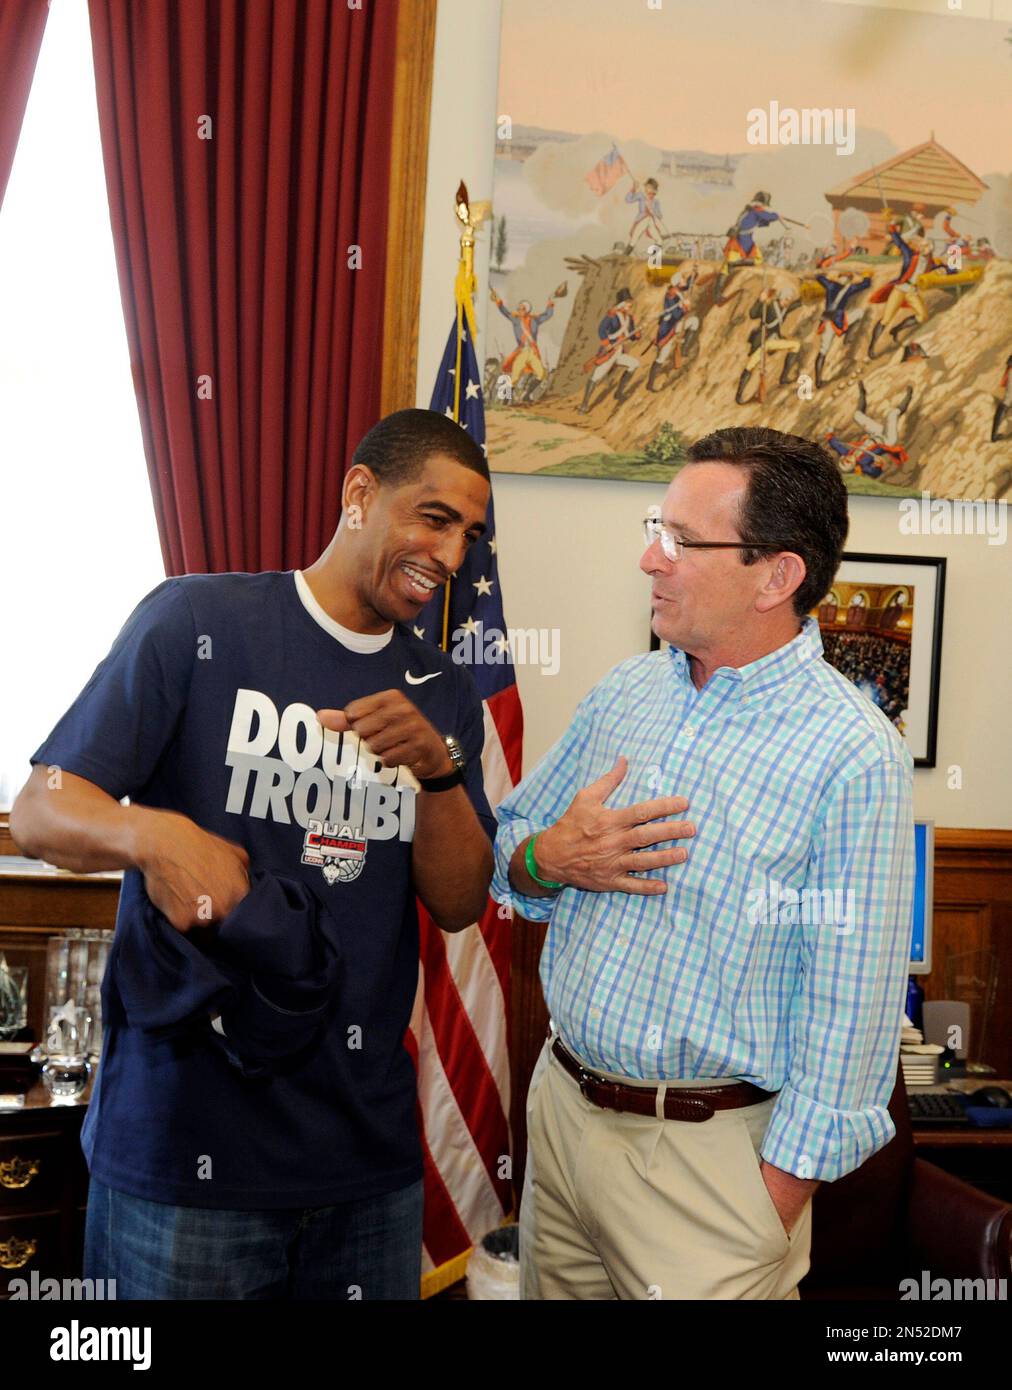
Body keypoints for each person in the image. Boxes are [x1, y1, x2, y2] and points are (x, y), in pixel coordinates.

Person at [10, 408, 496, 1300]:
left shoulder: (442, 688)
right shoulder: (197, 619)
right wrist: (155, 834)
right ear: (360, 494)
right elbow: (39, 812)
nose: (453, 555)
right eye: (434, 518)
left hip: (363, 1162)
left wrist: (437, 770)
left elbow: (462, 903)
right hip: (183, 1148)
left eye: (469, 534)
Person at [492, 425, 915, 1300]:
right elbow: (510, 861)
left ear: (777, 575)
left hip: (708, 1169)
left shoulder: (851, 754)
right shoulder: (626, 694)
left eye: (681, 539)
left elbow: (854, 1011)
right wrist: (548, 857)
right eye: (658, 527)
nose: (651, 557)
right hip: (563, 1121)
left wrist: (772, 1196)